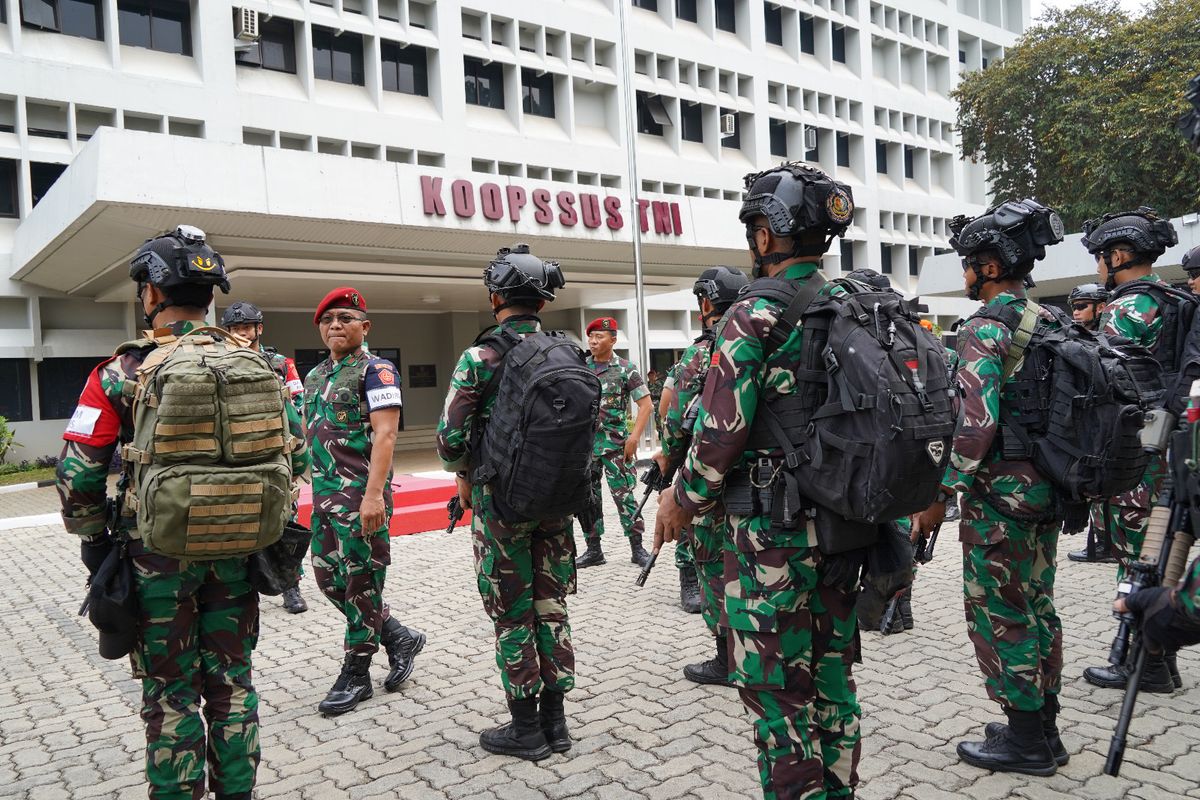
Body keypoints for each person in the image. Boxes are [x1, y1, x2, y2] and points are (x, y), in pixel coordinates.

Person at [56, 225, 309, 800]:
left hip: (156, 557)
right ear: (210, 295)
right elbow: (297, 454)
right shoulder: (262, 366)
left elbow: (77, 476)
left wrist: (94, 543)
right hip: (242, 552)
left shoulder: (121, 372)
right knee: (233, 683)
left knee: (170, 691)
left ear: (149, 293)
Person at [655, 162, 863, 800]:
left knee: (777, 692)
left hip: (770, 533)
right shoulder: (852, 304)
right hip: (844, 523)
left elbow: (720, 433)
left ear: (768, 236)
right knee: (833, 682)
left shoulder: (754, 314)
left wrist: (680, 499)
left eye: (755, 227)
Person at [913, 199, 1067, 776]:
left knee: (1000, 611)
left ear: (993, 265)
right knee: (1039, 603)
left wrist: (941, 494)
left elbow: (974, 425)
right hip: (1047, 490)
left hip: (1001, 500)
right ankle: (1044, 726)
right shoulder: (1051, 319)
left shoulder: (984, 327)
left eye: (971, 261)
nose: (966, 271)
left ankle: (1025, 741)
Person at [436, 243, 580, 761]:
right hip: (558, 503)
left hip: (501, 509)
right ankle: (557, 726)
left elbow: (450, 439)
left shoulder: (481, 356)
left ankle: (525, 730)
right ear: (543, 300)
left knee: (512, 614)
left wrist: (464, 476)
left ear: (495, 295)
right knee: (551, 608)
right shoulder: (571, 351)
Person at [304, 287, 426, 716]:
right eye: (327, 320)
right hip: (324, 500)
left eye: (344, 318)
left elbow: (386, 435)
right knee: (328, 581)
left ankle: (356, 673)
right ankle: (397, 635)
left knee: (362, 583)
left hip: (361, 499)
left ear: (364, 326)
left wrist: (374, 495)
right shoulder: (316, 376)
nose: (335, 325)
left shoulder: (378, 371)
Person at [1078, 208, 1181, 695]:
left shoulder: (1127, 307)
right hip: (1175, 446)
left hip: (1140, 450)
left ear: (1118, 256)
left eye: (1102, 258)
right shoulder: (1177, 300)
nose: (1099, 268)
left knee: (1136, 556)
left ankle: (1142, 661)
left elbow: (1107, 379)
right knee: (1160, 551)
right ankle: (1159, 654)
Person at [654, 266, 748, 670]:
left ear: (706, 304)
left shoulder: (702, 353)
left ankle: (726, 659)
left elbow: (675, 424)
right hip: (758, 482)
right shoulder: (762, 341)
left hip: (710, 486)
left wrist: (672, 461)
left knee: (713, 565)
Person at [221, 301, 310, 613]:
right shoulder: (219, 362)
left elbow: (298, 406)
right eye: (234, 328)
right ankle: (244, 587)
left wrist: (295, 452)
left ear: (259, 328)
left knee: (284, 517)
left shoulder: (280, 364)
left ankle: (291, 585)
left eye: (246, 326)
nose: (241, 333)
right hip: (236, 456)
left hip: (275, 454)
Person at [575, 317, 653, 569]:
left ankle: (637, 548)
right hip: (586, 448)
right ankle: (593, 549)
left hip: (616, 446)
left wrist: (634, 438)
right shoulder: (580, 367)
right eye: (591, 337)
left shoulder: (625, 368)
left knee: (625, 497)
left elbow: (646, 405)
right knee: (588, 498)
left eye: (599, 337)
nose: (593, 341)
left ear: (613, 340)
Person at [647, 368, 665, 442]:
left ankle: (661, 435)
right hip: (649, 402)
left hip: (658, 402)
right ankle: (648, 435)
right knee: (648, 420)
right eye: (650, 375)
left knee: (658, 419)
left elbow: (663, 392)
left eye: (652, 375)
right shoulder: (647, 384)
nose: (651, 377)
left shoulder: (660, 383)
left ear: (655, 375)